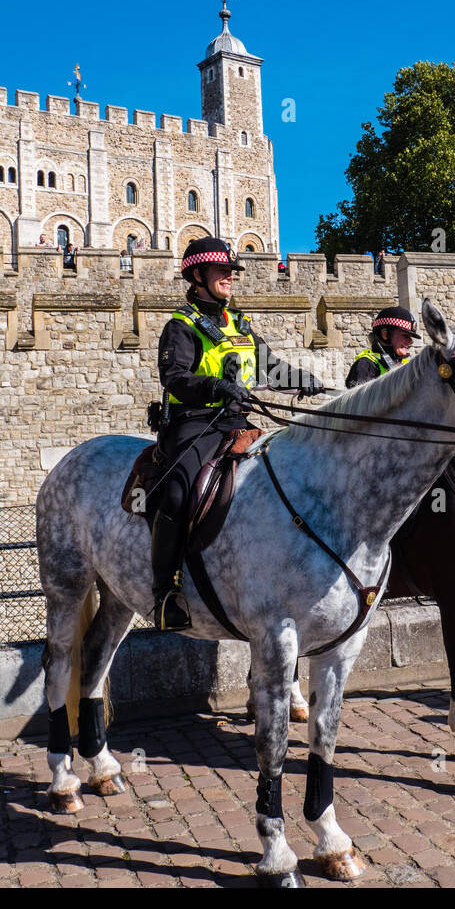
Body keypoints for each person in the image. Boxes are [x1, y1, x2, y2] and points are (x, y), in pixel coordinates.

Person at [151, 237, 326, 631]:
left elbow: (270, 367)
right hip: (195, 423)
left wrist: (302, 380)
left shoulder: (240, 324)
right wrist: (215, 387)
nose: (230, 277)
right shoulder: (181, 325)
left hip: (240, 423)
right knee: (178, 492)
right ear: (198, 275)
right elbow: (174, 377)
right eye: (221, 271)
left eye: (231, 272)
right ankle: (165, 592)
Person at [345, 306, 415, 389]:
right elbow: (359, 401)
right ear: (385, 334)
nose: (411, 341)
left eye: (411, 337)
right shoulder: (365, 365)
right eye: (405, 336)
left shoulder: (407, 365)